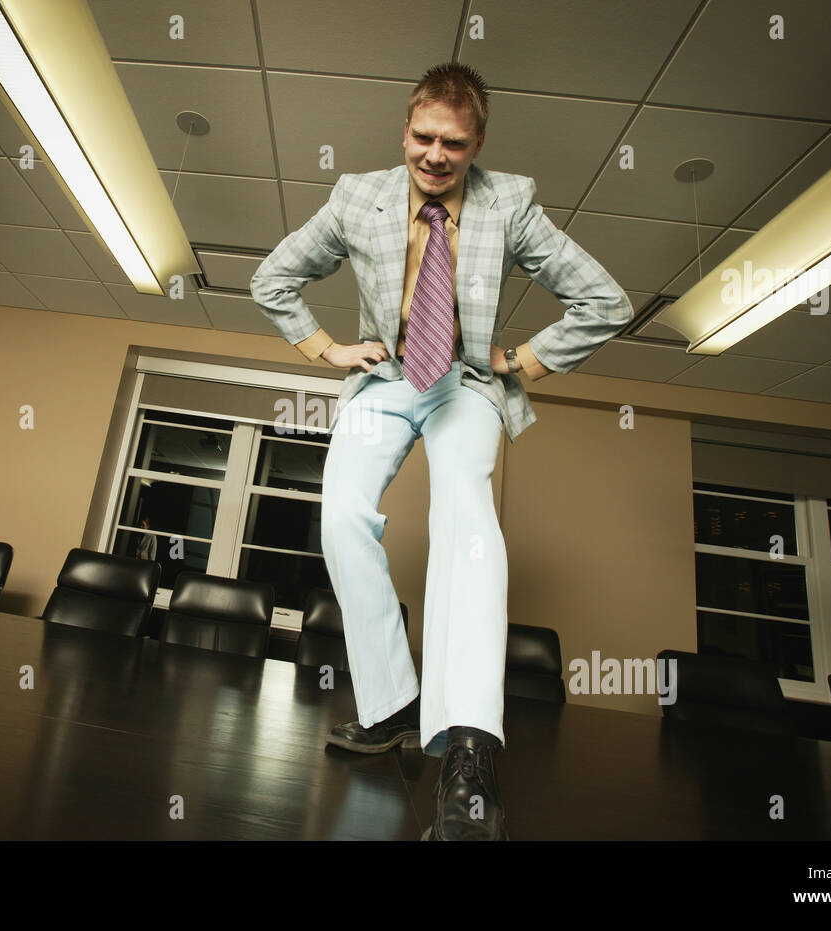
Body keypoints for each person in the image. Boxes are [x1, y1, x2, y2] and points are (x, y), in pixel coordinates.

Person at [251, 62, 632, 841]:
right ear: (405, 132)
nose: (434, 154)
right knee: (341, 516)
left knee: (467, 518)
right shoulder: (361, 195)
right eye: (423, 137)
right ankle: (391, 702)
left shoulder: (509, 203)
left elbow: (607, 300)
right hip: (387, 375)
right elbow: (273, 277)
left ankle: (469, 748)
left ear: (476, 144)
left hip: (463, 381)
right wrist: (326, 348)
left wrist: (521, 362)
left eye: (452, 143)